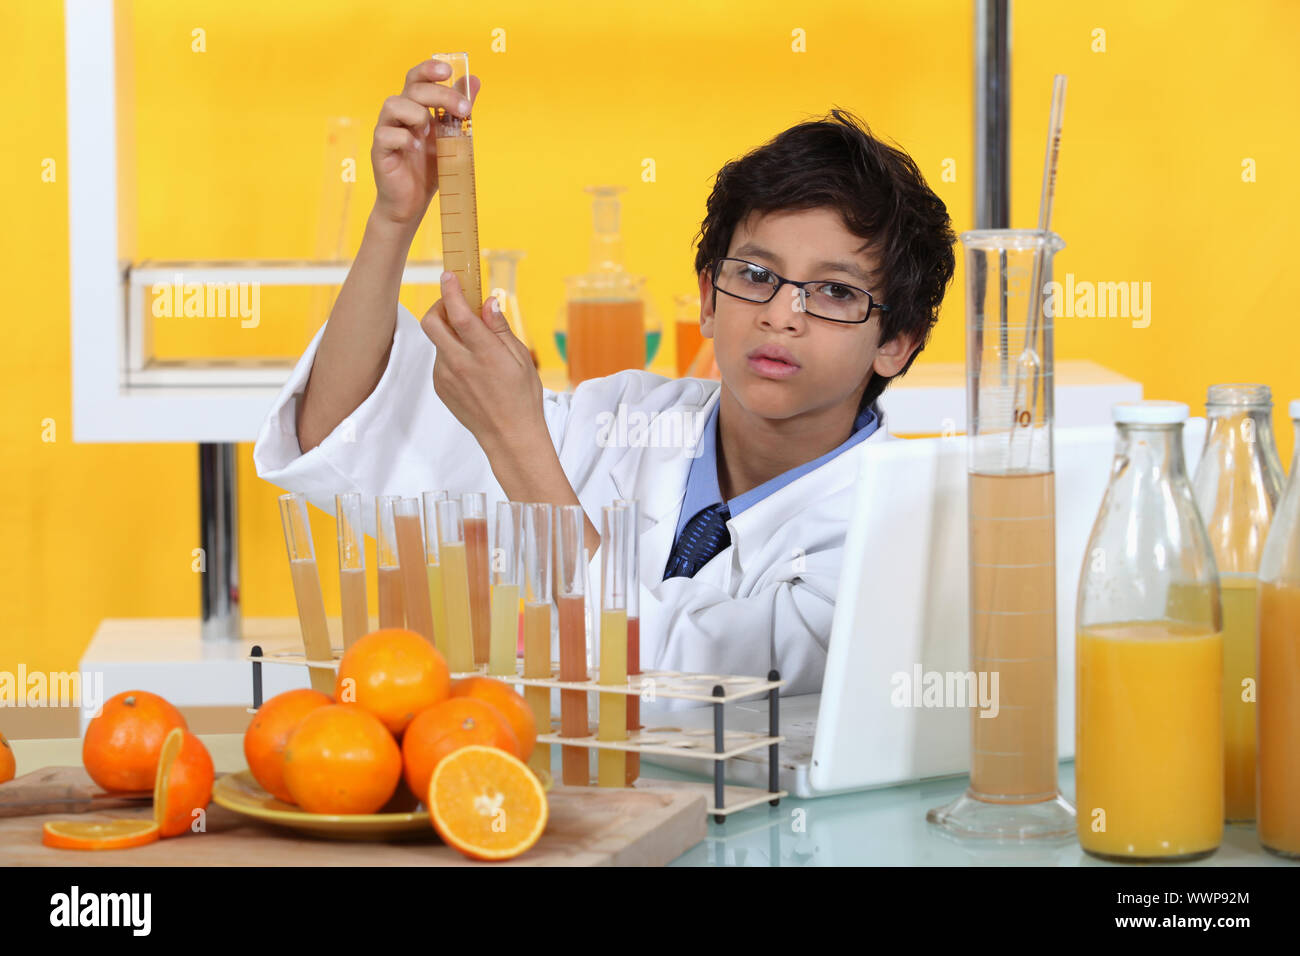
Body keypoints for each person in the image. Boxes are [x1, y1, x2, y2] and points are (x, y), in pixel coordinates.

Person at [253, 58, 956, 700]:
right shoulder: (624, 415)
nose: (781, 315)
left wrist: (519, 444)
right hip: (560, 824)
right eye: (755, 275)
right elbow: (343, 428)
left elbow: (696, 693)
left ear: (896, 343)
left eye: (833, 293)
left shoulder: (901, 530)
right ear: (708, 300)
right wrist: (394, 219)